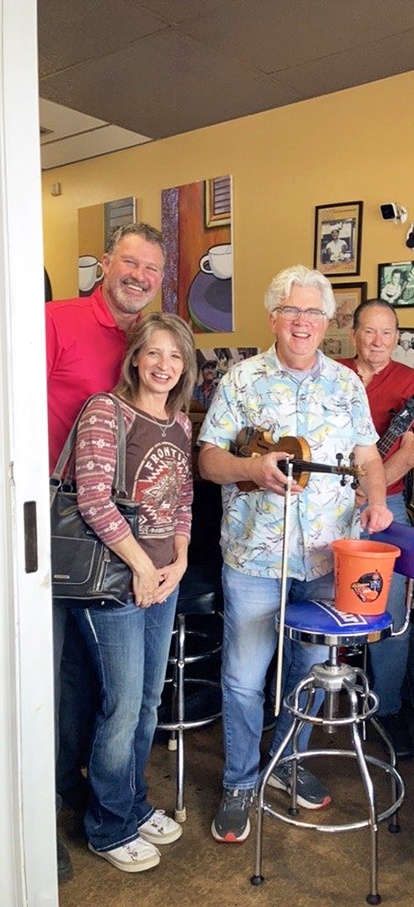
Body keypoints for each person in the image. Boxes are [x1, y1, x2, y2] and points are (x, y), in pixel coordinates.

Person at [198, 265, 392, 844]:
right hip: (255, 560)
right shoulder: (240, 380)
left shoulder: (347, 385)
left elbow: (369, 458)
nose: (302, 322)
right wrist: (250, 469)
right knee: (242, 678)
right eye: (291, 311)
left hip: (324, 561)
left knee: (306, 679)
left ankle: (286, 763)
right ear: (273, 317)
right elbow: (208, 461)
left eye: (313, 313)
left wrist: (378, 504)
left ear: (327, 321)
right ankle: (238, 782)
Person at [45, 222, 165, 881]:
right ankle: (42, 814)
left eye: (151, 267)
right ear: (105, 264)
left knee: (97, 683)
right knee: (49, 674)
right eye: (130, 262)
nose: (140, 275)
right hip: (56, 517)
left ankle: (90, 797)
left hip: (120, 538)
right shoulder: (55, 320)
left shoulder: (146, 343)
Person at [72, 313, 196, 872]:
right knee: (120, 708)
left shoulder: (179, 422)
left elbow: (183, 499)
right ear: (135, 358)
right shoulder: (107, 410)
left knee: (147, 702)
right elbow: (92, 498)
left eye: (175, 356)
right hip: (116, 584)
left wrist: (181, 559)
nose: (164, 366)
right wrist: (144, 567)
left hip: (163, 579)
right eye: (155, 353)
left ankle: (132, 803)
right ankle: (107, 824)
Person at [339, 299, 414, 758]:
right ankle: (311, 700)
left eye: (387, 333)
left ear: (397, 337)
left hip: (386, 505)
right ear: (354, 334)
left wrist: (370, 493)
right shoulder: (330, 370)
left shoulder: (411, 382)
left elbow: (411, 451)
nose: (378, 341)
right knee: (316, 598)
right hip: (327, 502)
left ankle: (388, 710)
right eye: (370, 332)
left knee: (390, 609)